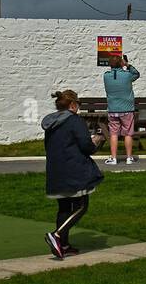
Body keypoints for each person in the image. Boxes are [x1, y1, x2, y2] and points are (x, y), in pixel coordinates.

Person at [41, 89, 105, 260]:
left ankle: (64, 245)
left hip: (56, 169)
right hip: (74, 170)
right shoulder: (74, 120)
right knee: (81, 206)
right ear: (73, 105)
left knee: (64, 207)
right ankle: (57, 235)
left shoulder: (51, 123)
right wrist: (97, 141)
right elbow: (86, 146)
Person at [103, 53, 140, 165]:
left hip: (113, 109)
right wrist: (127, 65)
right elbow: (136, 74)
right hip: (127, 109)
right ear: (121, 63)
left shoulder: (106, 76)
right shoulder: (127, 75)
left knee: (113, 134)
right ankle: (129, 158)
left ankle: (113, 158)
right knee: (128, 133)